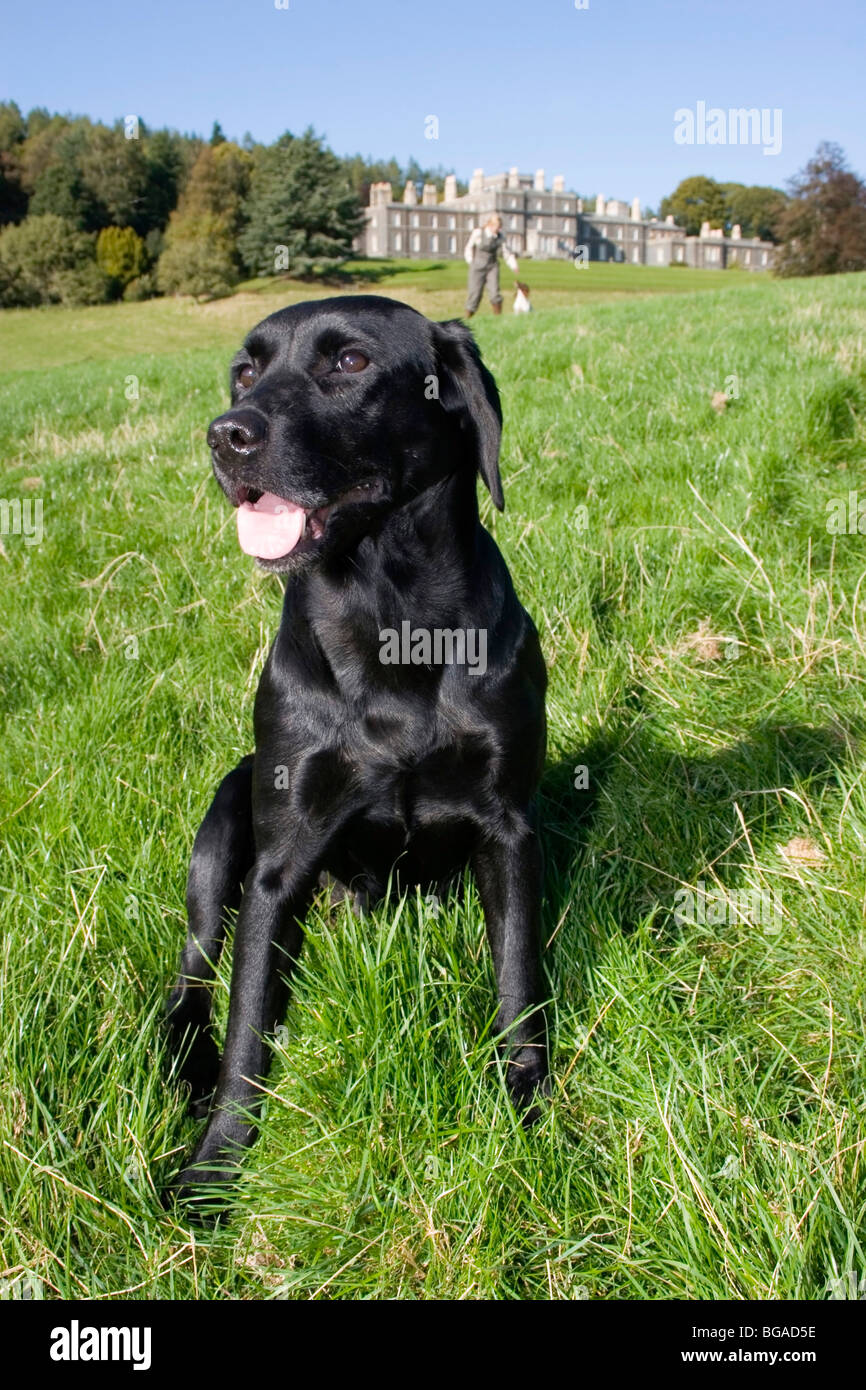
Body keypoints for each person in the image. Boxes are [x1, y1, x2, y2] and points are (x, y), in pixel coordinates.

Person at [464, 213, 520, 317]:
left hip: (492, 266)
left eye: (499, 227)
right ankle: (468, 318)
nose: (498, 229)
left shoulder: (500, 237)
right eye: (496, 227)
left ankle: (497, 317)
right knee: (475, 294)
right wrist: (470, 261)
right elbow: (469, 247)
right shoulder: (478, 233)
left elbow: (506, 252)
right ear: (490, 225)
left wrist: (514, 265)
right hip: (477, 267)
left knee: (495, 293)